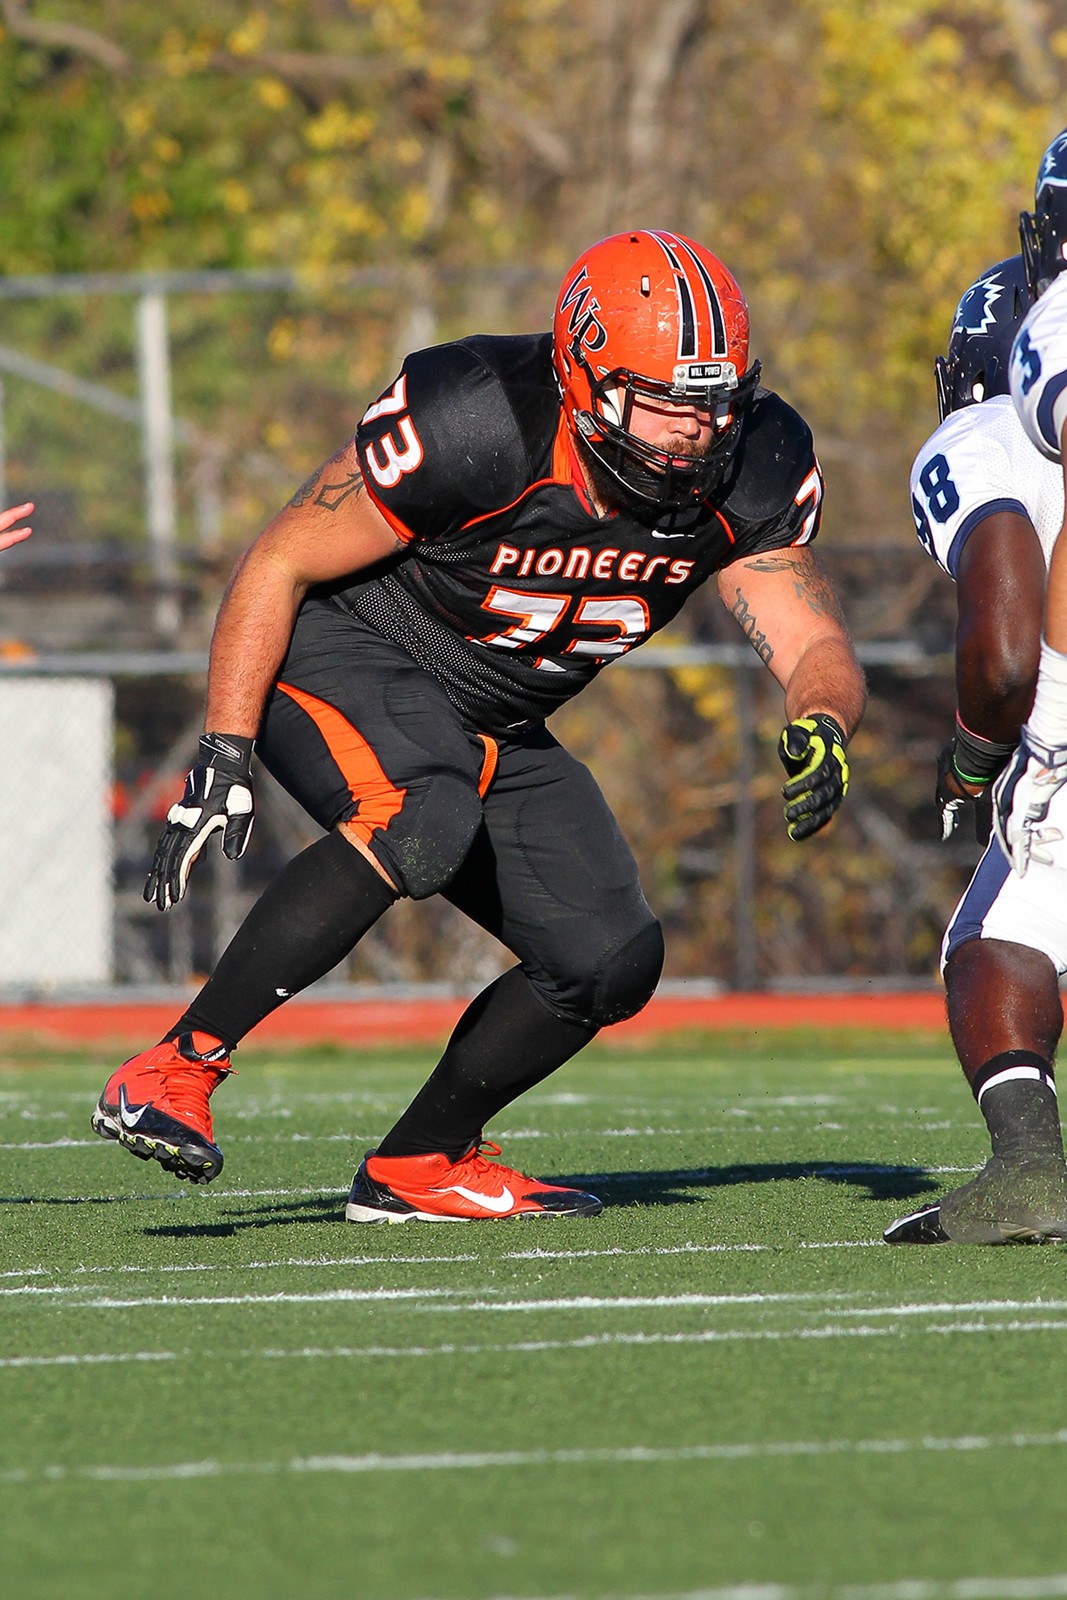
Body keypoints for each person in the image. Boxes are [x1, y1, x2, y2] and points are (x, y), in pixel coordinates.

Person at [91, 229, 865, 1223]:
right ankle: (175, 1065)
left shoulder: (752, 464)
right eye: (665, 404)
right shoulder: (477, 414)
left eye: (711, 405)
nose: (691, 434)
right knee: (419, 806)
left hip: (493, 718)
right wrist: (223, 747)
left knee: (608, 956)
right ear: (585, 378)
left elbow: (810, 644)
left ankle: (419, 1162)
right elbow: (279, 559)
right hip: (345, 652)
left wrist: (823, 720)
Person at [883, 252, 1067, 1244]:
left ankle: (1027, 1174)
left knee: (994, 937)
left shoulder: (980, 438)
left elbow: (999, 660)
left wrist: (967, 754)